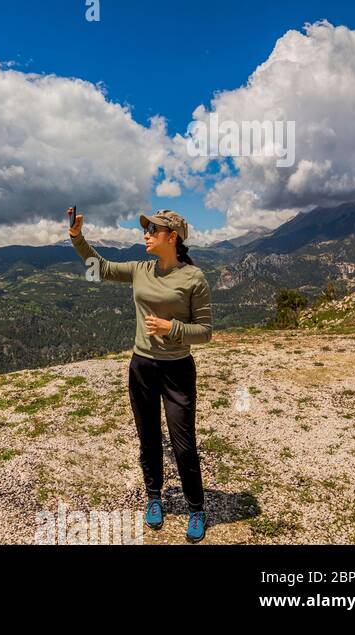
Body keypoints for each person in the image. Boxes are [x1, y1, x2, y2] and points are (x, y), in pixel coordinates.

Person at [68, 208, 213, 542]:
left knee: (183, 442)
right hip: (142, 366)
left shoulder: (194, 278)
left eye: (153, 230)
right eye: (145, 229)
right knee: (148, 436)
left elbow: (205, 332)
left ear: (172, 236)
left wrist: (171, 327)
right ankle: (154, 497)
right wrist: (77, 237)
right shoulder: (140, 269)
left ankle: (195, 508)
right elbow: (99, 267)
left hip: (177, 368)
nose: (145, 234)